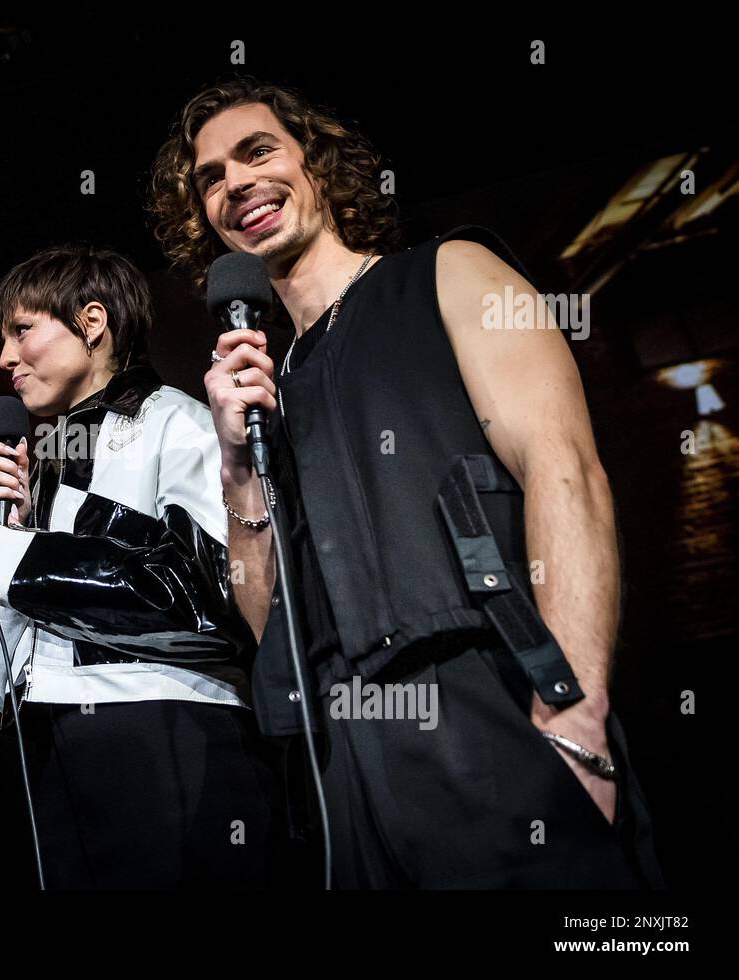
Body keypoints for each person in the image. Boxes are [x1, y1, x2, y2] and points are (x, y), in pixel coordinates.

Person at [149, 76, 663, 888]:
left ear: (318, 165)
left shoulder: (452, 272)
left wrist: (573, 712)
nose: (234, 183)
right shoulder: (265, 388)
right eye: (210, 177)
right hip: (345, 761)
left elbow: (567, 472)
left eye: (256, 152)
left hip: (489, 706)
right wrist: (240, 471)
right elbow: (264, 620)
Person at [0, 245, 283, 888]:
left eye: (22, 330)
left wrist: (21, 559)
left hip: (168, 732)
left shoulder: (179, 422)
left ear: (92, 322)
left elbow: (211, 606)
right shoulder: (35, 470)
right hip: (51, 747)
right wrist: (10, 536)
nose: (4, 358)